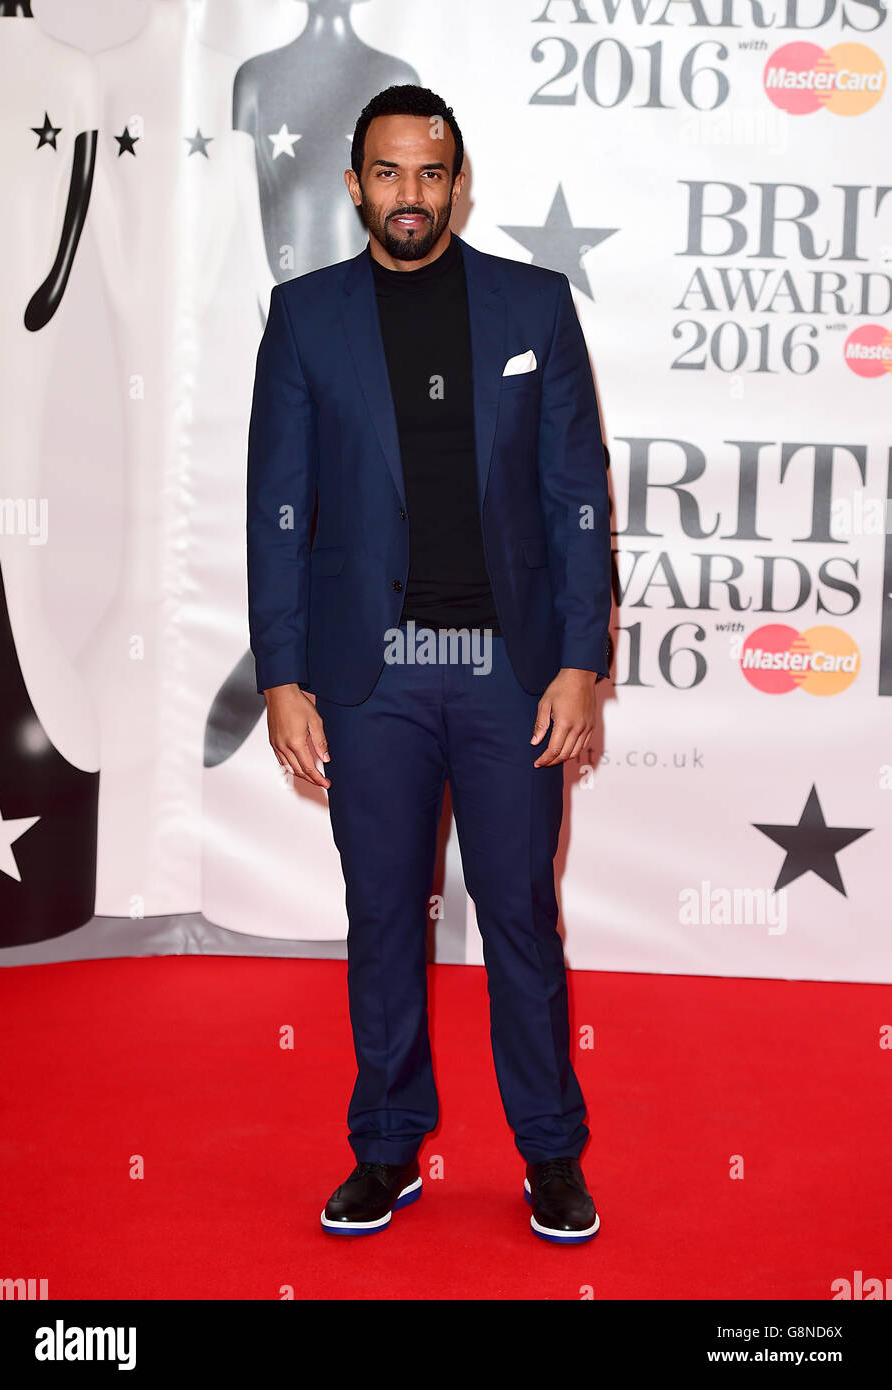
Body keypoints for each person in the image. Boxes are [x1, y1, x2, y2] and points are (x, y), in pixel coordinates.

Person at [246, 84, 612, 1244]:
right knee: (383, 917)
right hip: (373, 675)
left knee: (518, 916)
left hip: (510, 674)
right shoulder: (304, 317)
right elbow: (278, 506)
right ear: (354, 184)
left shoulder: (535, 306)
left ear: (460, 182)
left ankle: (550, 1154)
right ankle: (388, 1146)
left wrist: (579, 663)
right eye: (389, 173)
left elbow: (575, 500)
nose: (412, 194)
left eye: (431, 172)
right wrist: (281, 675)